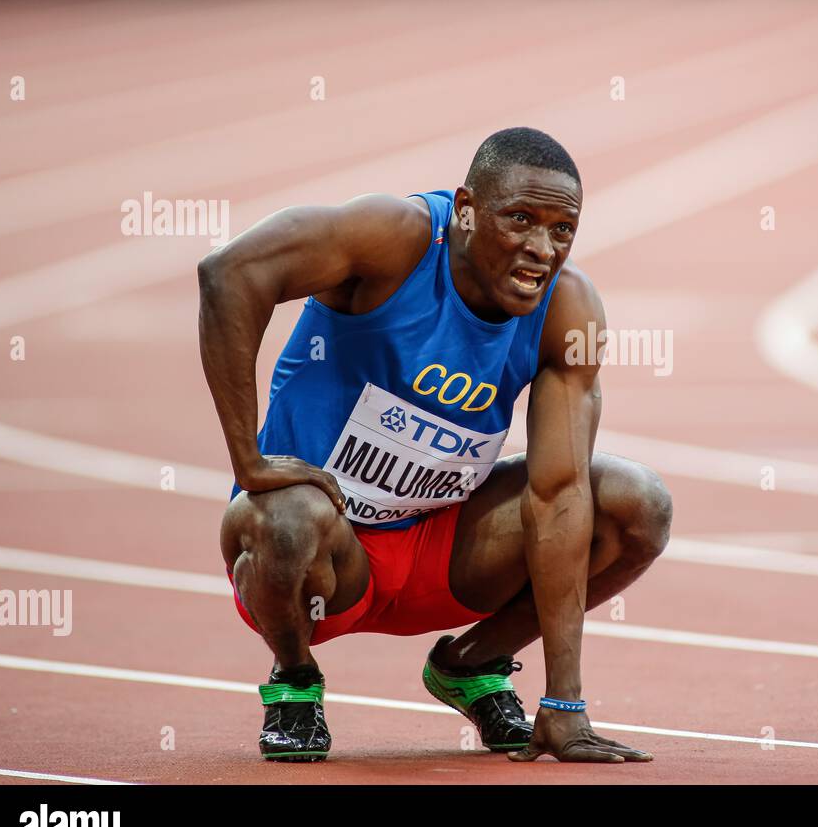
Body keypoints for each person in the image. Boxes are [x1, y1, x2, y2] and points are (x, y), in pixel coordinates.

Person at [197, 127, 672, 764]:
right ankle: (295, 679)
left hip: (444, 553)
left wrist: (565, 702)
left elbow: (559, 493)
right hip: (323, 558)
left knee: (636, 502)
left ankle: (472, 664)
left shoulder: (568, 309)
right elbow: (228, 272)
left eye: (563, 229)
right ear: (467, 209)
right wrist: (247, 463)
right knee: (282, 517)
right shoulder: (391, 239)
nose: (540, 250)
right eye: (521, 220)